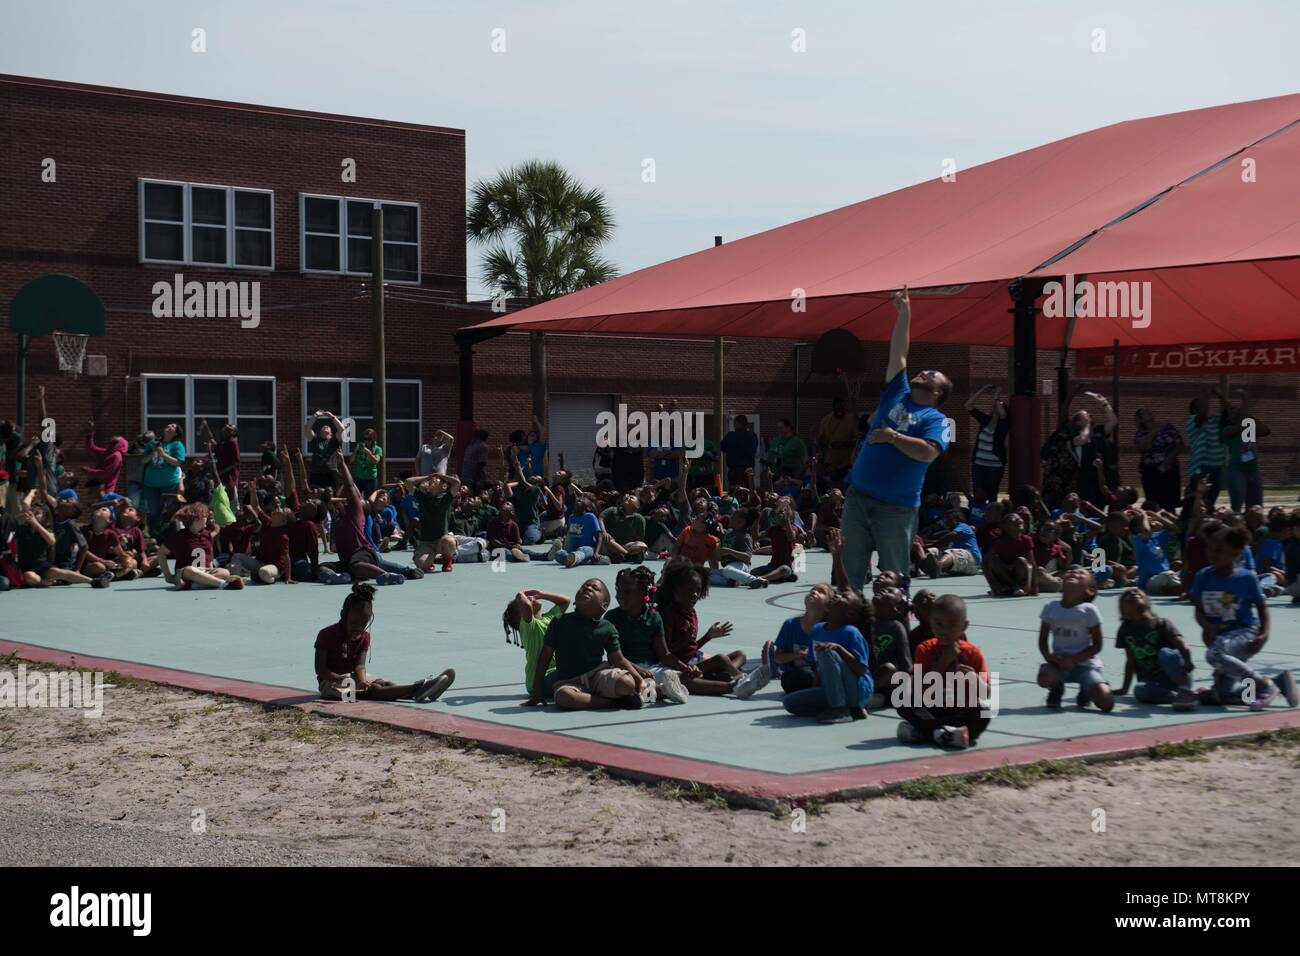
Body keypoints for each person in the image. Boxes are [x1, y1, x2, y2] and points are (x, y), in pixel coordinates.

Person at [842, 289, 950, 592]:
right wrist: (904, 315)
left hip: (896, 508)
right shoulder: (897, 393)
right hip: (858, 497)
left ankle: (895, 629)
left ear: (939, 392)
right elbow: (899, 353)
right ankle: (850, 628)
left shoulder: (936, 420)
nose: (923, 372)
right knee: (849, 571)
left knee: (893, 577)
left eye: (932, 374)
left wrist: (892, 437)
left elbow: (929, 453)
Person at [1190, 525, 1297, 709]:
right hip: (1220, 638)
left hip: (1244, 633)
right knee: (1221, 696)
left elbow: (1262, 607)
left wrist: (1264, 634)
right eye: (1209, 549)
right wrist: (1207, 627)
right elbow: (1199, 609)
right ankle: (1279, 682)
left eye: (1219, 550)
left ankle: (1264, 686)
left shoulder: (1246, 578)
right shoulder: (1203, 577)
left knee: (1214, 655)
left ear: (1236, 553)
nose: (1212, 554)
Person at [522, 578, 651, 709]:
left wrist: (639, 680)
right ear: (575, 602)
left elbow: (619, 659)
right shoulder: (559, 622)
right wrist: (537, 691)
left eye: (595, 588)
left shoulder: (607, 628)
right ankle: (611, 702)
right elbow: (545, 656)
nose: (587, 588)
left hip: (597, 675)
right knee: (564, 697)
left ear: (604, 606)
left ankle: (597, 698)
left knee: (627, 684)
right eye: (584, 586)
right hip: (569, 680)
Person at [316, 583, 455, 703]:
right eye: (354, 622)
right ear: (343, 615)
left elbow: (360, 665)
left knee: (383, 683)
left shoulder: (364, 637)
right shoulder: (326, 634)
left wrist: (362, 680)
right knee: (372, 691)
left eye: (364, 623)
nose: (358, 628)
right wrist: (339, 678)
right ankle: (419, 687)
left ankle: (422, 690)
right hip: (329, 683)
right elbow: (320, 669)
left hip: (351, 676)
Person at [895, 594, 992, 749]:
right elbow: (920, 690)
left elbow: (986, 693)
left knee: (984, 712)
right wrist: (942, 663)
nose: (944, 630)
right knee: (902, 698)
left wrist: (974, 678)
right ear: (931, 623)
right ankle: (946, 734)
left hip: (961, 709)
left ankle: (926, 732)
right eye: (938, 624)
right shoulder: (924, 649)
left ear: (964, 626)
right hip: (934, 707)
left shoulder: (973, 653)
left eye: (952, 625)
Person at [781, 588, 873, 724]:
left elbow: (860, 670)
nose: (838, 595)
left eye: (844, 597)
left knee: (826, 651)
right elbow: (817, 667)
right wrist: (815, 689)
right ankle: (850, 709)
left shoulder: (851, 632)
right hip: (831, 689)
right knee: (790, 703)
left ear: (850, 613)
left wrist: (839, 649)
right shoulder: (817, 629)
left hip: (856, 689)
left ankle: (841, 710)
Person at [603, 565, 691, 703]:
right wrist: (636, 669)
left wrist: (685, 668)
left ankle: (661, 688)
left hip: (651, 668)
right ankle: (660, 691)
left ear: (643, 592)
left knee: (672, 674)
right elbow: (614, 657)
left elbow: (664, 654)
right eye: (618, 590)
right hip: (624, 668)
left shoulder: (654, 617)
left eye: (627, 591)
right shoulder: (612, 617)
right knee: (626, 682)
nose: (620, 595)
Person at [1037, 568, 1113, 711]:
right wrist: (1049, 657)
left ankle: (1088, 689)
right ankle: (1057, 688)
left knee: (1106, 702)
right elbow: (1042, 640)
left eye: (1081, 574)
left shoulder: (1089, 610)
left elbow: (1097, 645)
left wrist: (1074, 660)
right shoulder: (1050, 607)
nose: (1073, 573)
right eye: (1070, 572)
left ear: (1089, 590)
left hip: (1086, 665)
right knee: (1044, 677)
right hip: (1060, 664)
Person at [1114, 588, 1198, 708]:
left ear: (1148, 601)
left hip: (1178, 675)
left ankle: (1184, 689)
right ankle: (1179, 697)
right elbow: (1131, 661)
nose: (1133, 593)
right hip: (1155, 682)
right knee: (1139, 689)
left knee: (1165, 653)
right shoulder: (1125, 630)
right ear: (1124, 611)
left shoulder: (1162, 623)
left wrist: (1188, 660)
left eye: (1137, 592)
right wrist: (1124, 688)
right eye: (1127, 596)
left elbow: (1182, 645)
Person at [503, 588, 568, 688]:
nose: (529, 598)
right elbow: (526, 606)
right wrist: (520, 594)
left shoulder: (549, 618)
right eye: (526, 600)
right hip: (539, 681)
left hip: (554, 675)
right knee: (575, 671)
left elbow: (565, 602)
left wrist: (543, 594)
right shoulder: (528, 626)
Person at [1222, 390, 1267, 512]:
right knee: (1237, 506)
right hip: (1237, 471)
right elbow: (1240, 425)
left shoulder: (1249, 426)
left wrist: (1252, 418)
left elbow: (1265, 431)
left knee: (1256, 508)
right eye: (1231, 411)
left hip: (1253, 469)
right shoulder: (1227, 430)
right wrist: (1245, 400)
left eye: (1236, 410)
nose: (1234, 411)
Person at [1133, 409, 1184, 511]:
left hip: (1169, 468)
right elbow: (1141, 447)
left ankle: (1170, 522)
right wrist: (1153, 432)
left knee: (1170, 502)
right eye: (1145, 413)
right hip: (1151, 470)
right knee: (1153, 502)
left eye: (1149, 411)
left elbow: (1179, 444)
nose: (1149, 412)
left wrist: (1169, 459)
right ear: (1141, 419)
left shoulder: (1168, 427)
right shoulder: (1141, 432)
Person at [140, 422, 186, 533]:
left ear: (176, 433)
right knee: (154, 511)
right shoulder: (153, 443)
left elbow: (178, 462)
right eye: (169, 424)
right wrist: (153, 453)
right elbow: (143, 460)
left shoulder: (177, 445)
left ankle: (169, 535)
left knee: (170, 511)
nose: (169, 425)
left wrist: (163, 454)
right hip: (151, 484)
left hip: (169, 483)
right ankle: (154, 535)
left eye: (173, 426)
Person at [966, 385, 1009, 500]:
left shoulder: (1004, 425)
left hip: (995, 466)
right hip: (978, 464)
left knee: (992, 494)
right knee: (978, 494)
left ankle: (992, 515)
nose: (995, 407)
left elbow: (1003, 415)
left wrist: (996, 397)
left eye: (999, 406)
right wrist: (983, 389)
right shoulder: (985, 420)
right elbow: (968, 405)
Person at [1185, 387, 1226, 506]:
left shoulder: (1215, 421)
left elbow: (1227, 413)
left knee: (1210, 503)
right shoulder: (1192, 421)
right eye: (1200, 405)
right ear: (1194, 409)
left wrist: (1221, 397)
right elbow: (1202, 414)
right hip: (1201, 467)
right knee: (1200, 502)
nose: (1204, 406)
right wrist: (1206, 396)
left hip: (1217, 468)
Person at [817, 398, 858, 483]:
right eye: (837, 409)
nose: (840, 411)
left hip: (846, 462)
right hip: (831, 461)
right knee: (831, 484)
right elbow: (820, 440)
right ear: (833, 408)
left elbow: (858, 440)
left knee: (845, 484)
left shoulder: (851, 420)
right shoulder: (825, 420)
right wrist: (826, 444)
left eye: (842, 409)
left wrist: (844, 444)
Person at [305, 411, 346, 491]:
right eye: (324, 426)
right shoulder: (315, 440)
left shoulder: (334, 440)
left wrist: (332, 416)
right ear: (320, 432)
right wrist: (315, 416)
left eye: (328, 427)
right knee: (315, 494)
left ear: (331, 433)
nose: (326, 426)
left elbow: (342, 429)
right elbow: (307, 429)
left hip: (331, 472)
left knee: (332, 495)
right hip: (316, 473)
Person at [84, 420, 127, 496]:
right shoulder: (106, 452)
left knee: (103, 507)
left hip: (106, 489)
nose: (110, 442)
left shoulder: (116, 456)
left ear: (119, 445)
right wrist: (90, 433)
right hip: (96, 486)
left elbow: (105, 473)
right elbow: (91, 447)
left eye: (113, 442)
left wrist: (88, 471)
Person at [721, 415, 760, 490]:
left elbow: (722, 448)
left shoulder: (731, 435)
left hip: (735, 470)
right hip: (749, 470)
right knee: (749, 492)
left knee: (736, 494)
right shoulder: (752, 435)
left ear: (737, 423)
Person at [351, 428, 383, 496]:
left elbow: (376, 461)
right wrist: (355, 451)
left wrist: (368, 452)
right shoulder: (359, 447)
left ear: (373, 439)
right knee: (356, 498)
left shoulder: (377, 448)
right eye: (364, 439)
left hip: (371, 478)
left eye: (368, 439)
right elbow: (351, 460)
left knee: (369, 499)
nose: (366, 441)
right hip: (359, 477)